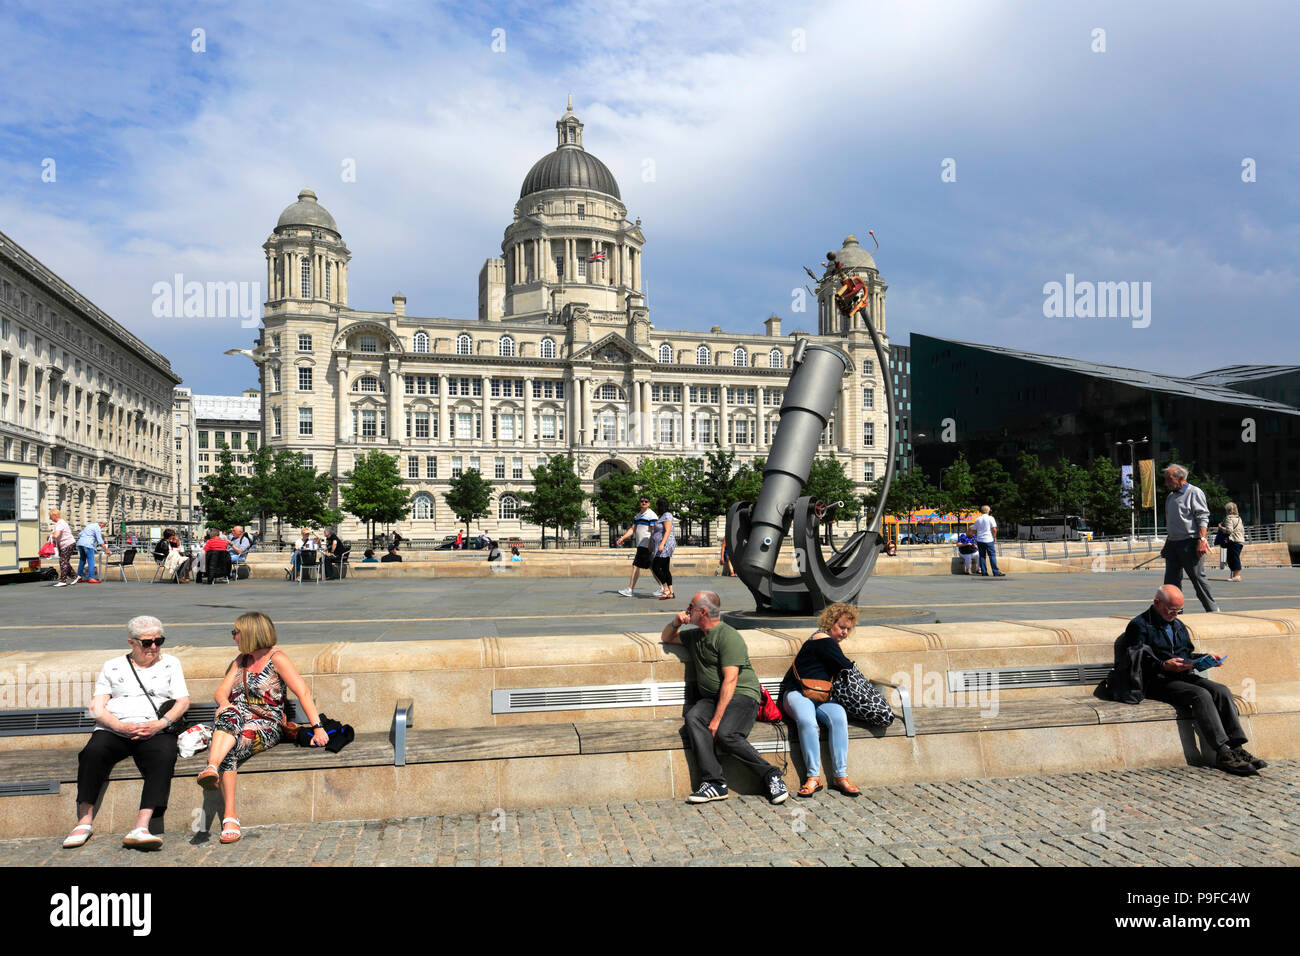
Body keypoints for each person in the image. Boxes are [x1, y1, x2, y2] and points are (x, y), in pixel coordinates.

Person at [194, 612, 329, 843]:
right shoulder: (240, 660)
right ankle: (217, 780)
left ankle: (227, 809)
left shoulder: (277, 659)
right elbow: (220, 692)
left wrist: (318, 727)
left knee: (231, 748)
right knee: (229, 716)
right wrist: (225, 704)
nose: (233, 637)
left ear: (249, 634)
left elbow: (303, 692)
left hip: (266, 725)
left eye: (235, 633)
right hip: (235, 719)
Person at [63, 615, 190, 850]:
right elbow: (96, 708)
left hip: (154, 727)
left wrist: (160, 724)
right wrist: (119, 726)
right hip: (116, 728)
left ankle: (141, 826)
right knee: (93, 753)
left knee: (164, 755)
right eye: (147, 642)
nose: (154, 647)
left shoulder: (171, 663)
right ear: (131, 643)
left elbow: (183, 701)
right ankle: (84, 820)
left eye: (158, 641)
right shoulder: (112, 666)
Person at [660, 591, 789, 805]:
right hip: (713, 698)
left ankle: (771, 774)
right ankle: (714, 783)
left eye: (691, 606)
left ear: (702, 612)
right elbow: (667, 637)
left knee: (726, 733)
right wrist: (676, 621)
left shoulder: (728, 636)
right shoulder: (695, 636)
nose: (687, 609)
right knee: (693, 718)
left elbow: (731, 680)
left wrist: (717, 718)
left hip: (742, 694)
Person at [1123, 586, 1263, 776]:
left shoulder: (1178, 625)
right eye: (1171, 610)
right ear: (1157, 603)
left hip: (1182, 676)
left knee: (1221, 690)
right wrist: (1163, 665)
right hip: (1156, 681)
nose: (1175, 614)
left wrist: (1204, 658)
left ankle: (1237, 748)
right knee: (1200, 695)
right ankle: (1222, 752)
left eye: (1179, 610)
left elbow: (1186, 654)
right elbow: (1134, 660)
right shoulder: (1139, 625)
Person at [779, 602, 860, 797]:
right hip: (797, 693)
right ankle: (813, 776)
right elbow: (847, 666)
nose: (845, 633)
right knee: (807, 721)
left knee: (839, 717)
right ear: (830, 623)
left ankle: (840, 775)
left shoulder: (828, 644)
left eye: (848, 629)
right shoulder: (823, 640)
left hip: (821, 696)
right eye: (841, 626)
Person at [1161, 465, 1217, 612]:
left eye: (1169, 479)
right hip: (1173, 544)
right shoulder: (1170, 496)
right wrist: (1167, 545)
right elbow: (1172, 523)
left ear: (1180, 478)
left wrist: (1202, 540)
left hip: (1190, 542)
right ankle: (1175, 612)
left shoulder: (1194, 492)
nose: (1166, 482)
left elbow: (1202, 517)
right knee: (1171, 581)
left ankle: (1212, 610)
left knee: (1197, 578)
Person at [615, 496, 658, 597]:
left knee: (636, 566)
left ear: (649, 503)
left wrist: (651, 544)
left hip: (646, 545)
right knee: (652, 567)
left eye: (646, 501)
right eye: (642, 501)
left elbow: (653, 531)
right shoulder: (637, 516)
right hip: (641, 545)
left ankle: (630, 589)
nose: (643, 503)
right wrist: (622, 538)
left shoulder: (652, 515)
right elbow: (632, 529)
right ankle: (663, 588)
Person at [651, 497, 677, 601]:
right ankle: (671, 592)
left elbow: (667, 531)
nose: (656, 507)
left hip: (665, 545)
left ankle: (665, 589)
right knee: (665, 569)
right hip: (661, 544)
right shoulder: (661, 516)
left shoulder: (667, 515)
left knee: (655, 567)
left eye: (657, 505)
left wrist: (662, 544)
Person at [970, 505, 1005, 577]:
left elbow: (973, 531)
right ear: (988, 511)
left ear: (981, 511)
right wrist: (994, 537)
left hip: (980, 540)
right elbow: (994, 529)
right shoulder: (991, 518)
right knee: (992, 556)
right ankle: (996, 572)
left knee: (982, 556)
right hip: (989, 539)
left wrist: (978, 535)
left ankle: (984, 572)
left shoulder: (978, 519)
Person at [48, 508, 79, 587]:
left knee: (63, 561)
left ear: (54, 515)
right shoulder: (61, 523)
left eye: (50, 516)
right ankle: (75, 576)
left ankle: (63, 580)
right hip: (67, 544)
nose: (50, 518)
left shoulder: (60, 523)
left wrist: (50, 535)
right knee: (65, 561)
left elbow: (56, 535)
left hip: (67, 544)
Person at [1218, 502, 1246, 583]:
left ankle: (1237, 576)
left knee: (1233, 558)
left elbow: (1229, 530)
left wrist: (1221, 528)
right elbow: (1242, 530)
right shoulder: (1239, 518)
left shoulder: (1229, 518)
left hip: (1233, 541)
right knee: (1233, 558)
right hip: (1240, 541)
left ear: (1228, 510)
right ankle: (1235, 575)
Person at [76, 519, 110, 584]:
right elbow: (100, 540)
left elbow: (80, 534)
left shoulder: (89, 525)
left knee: (82, 561)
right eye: (104, 525)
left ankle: (79, 577)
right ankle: (91, 578)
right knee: (91, 561)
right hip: (88, 544)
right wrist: (106, 550)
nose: (104, 526)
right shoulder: (97, 527)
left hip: (80, 543)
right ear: (101, 523)